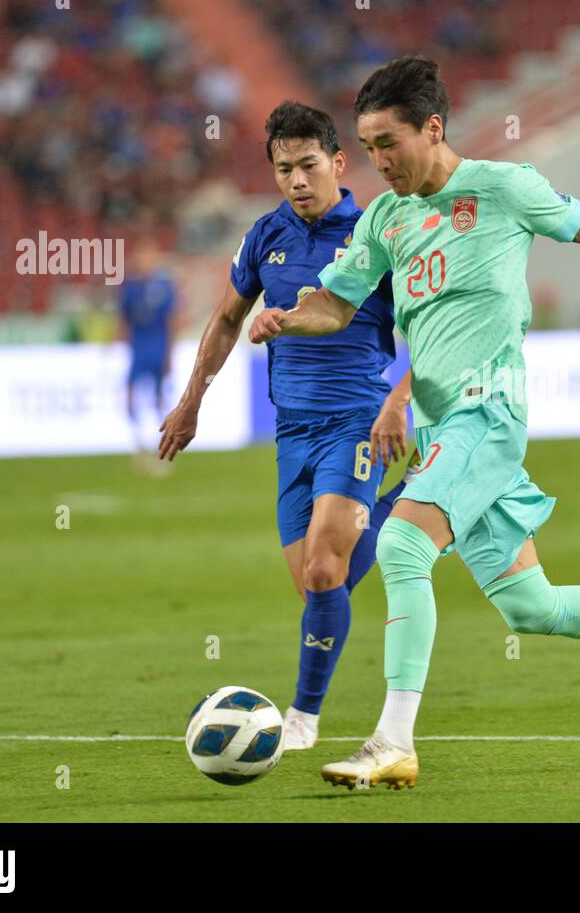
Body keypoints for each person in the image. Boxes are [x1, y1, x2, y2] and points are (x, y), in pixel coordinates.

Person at [249, 56, 580, 790]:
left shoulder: (506, 189)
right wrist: (287, 318)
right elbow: (339, 303)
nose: (379, 162)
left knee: (405, 542)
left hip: (491, 408)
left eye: (390, 143)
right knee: (531, 606)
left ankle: (392, 741)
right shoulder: (385, 217)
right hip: (447, 422)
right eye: (370, 146)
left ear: (434, 128)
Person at [158, 101, 411, 751]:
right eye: (283, 169)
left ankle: (303, 716)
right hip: (291, 432)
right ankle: (408, 508)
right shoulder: (266, 235)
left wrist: (400, 401)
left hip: (356, 420)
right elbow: (223, 319)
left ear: (337, 162)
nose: (297, 180)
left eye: (307, 165)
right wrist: (192, 401)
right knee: (316, 584)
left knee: (327, 570)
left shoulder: (377, 232)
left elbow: (426, 326)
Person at [120, 239, 178, 472]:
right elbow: (124, 319)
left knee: (159, 397)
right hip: (138, 347)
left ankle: (163, 446)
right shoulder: (129, 288)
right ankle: (137, 443)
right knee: (130, 393)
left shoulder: (164, 286)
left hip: (159, 346)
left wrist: (170, 352)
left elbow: (172, 320)